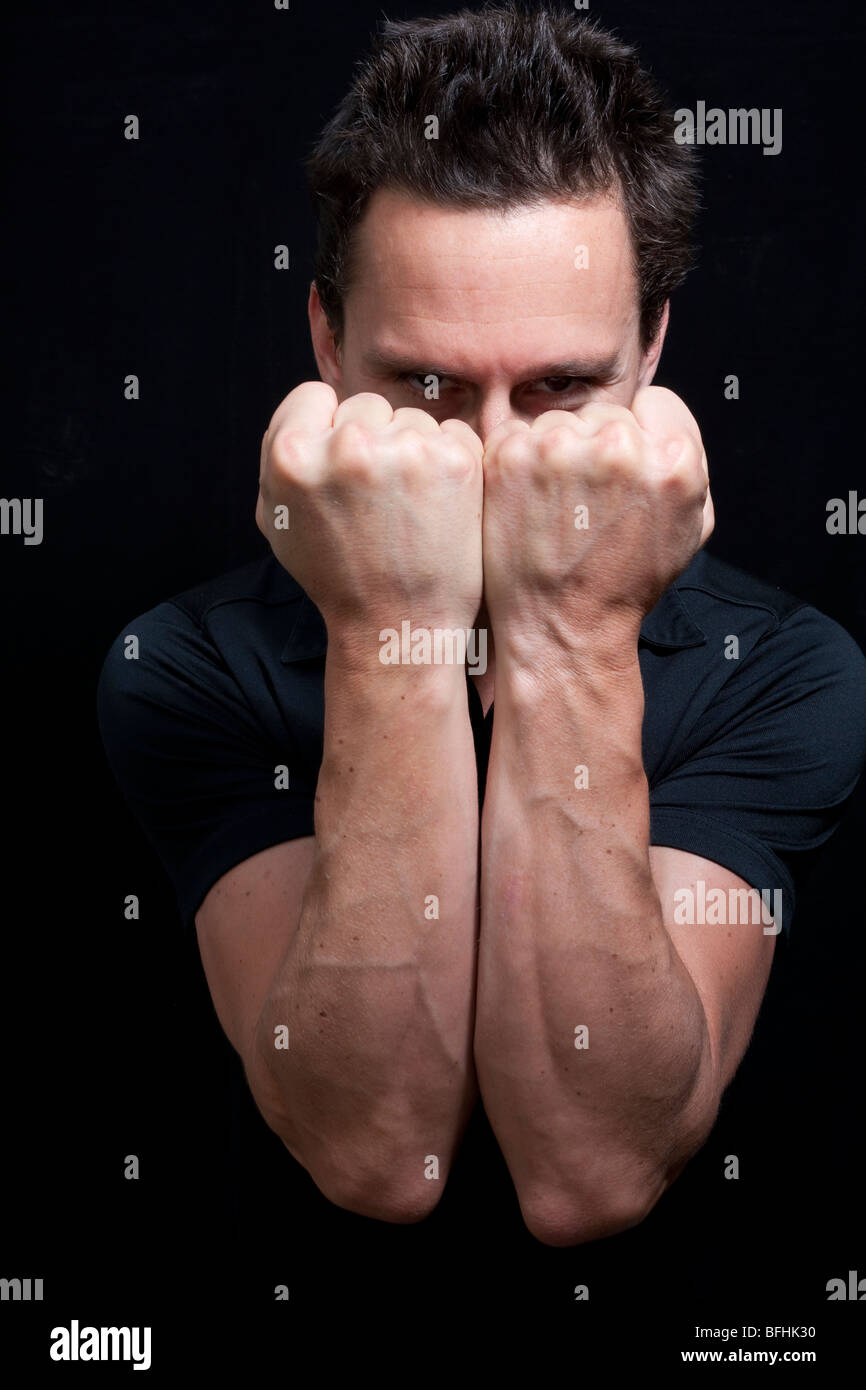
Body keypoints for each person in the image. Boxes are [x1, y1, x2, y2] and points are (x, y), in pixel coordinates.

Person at [96, 3, 866, 1248]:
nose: (497, 459)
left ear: (651, 350)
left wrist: (568, 628)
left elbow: (592, 1169)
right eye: (426, 387)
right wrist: (393, 618)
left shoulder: (782, 675)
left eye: (559, 387)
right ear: (326, 347)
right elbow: (377, 1150)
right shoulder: (185, 671)